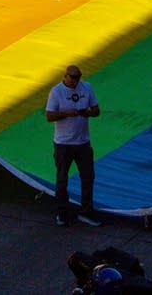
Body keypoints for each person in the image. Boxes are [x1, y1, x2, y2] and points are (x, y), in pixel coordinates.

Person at [45, 64, 102, 226]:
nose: (75, 82)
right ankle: (62, 212)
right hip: (63, 143)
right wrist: (65, 114)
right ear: (66, 76)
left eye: (78, 78)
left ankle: (86, 211)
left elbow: (97, 110)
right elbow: (49, 116)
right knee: (62, 179)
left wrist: (88, 113)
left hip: (83, 142)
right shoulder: (56, 92)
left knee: (88, 177)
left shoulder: (87, 88)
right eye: (73, 78)